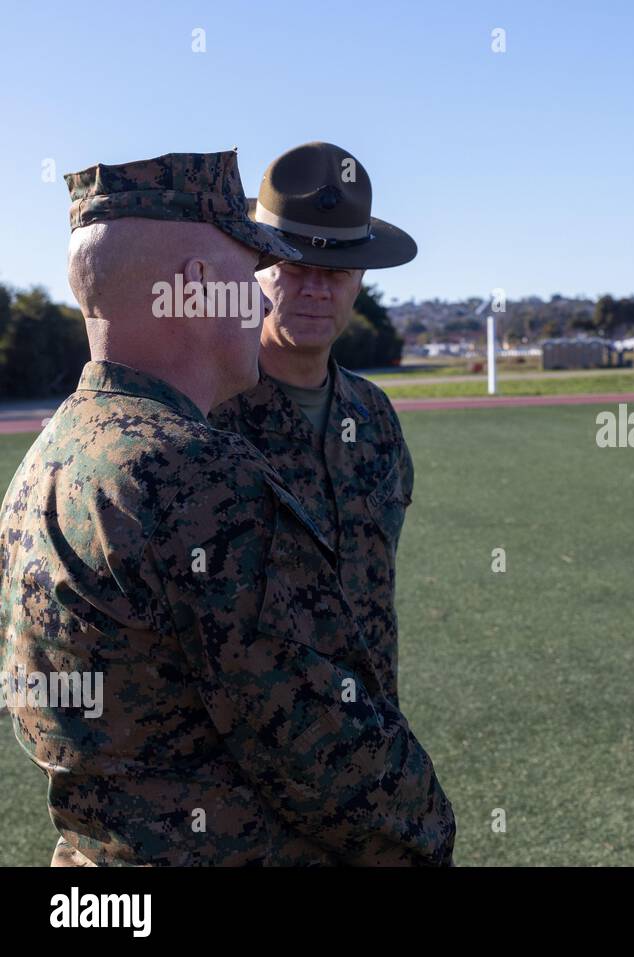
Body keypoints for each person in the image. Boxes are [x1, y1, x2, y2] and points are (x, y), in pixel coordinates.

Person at [0, 151, 455, 866]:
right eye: (269, 266)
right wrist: (420, 832)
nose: (298, 287)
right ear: (201, 286)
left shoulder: (59, 450)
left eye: (337, 267)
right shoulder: (194, 459)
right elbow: (304, 727)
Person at [209, 142, 417, 706]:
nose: (317, 289)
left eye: (338, 271)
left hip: (371, 745)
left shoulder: (374, 416)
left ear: (361, 282)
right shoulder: (206, 418)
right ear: (257, 269)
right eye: (296, 267)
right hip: (249, 767)